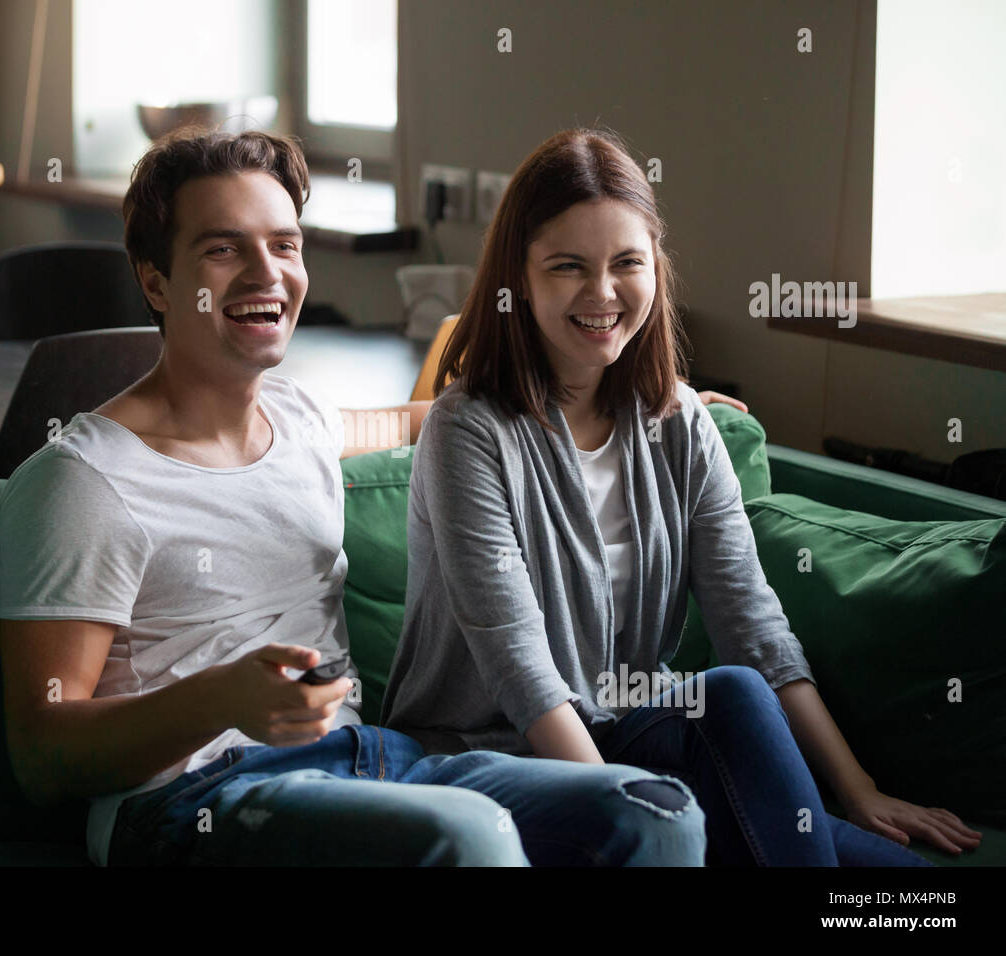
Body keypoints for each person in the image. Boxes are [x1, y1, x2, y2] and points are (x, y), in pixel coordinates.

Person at [0, 126, 709, 867]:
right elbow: (42, 756)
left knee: (652, 811)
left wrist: (646, 404)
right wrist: (219, 701)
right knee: (471, 836)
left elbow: (429, 418)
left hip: (368, 759)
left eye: (285, 244)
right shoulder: (84, 480)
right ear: (154, 281)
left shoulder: (301, 422)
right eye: (223, 248)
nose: (265, 273)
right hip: (194, 800)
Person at [380, 127, 982, 866]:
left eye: (626, 263)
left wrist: (858, 790)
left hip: (639, 741)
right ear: (518, 279)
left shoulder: (682, 424)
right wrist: (629, 812)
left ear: (654, 270)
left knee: (896, 875)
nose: (602, 293)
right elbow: (522, 669)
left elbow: (752, 626)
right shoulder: (468, 432)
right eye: (568, 266)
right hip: (494, 763)